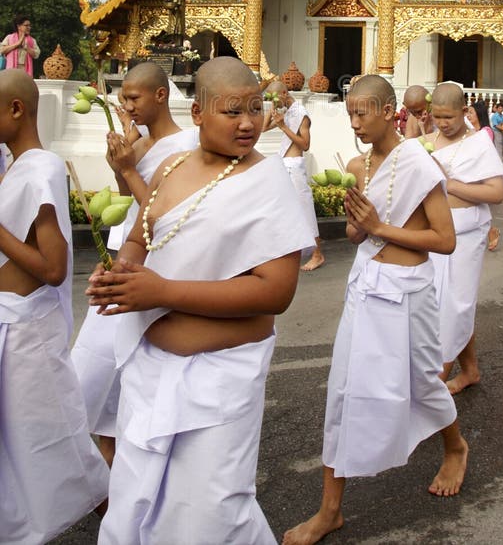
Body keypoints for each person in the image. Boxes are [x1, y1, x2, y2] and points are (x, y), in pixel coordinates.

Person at [87, 57, 314, 544]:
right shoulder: (171, 167)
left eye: (255, 109)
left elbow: (276, 291)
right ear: (198, 113)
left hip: (219, 379)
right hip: (150, 371)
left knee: (210, 516)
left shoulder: (268, 180)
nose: (248, 123)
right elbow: (141, 237)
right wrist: (119, 273)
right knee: (136, 505)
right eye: (233, 111)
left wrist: (162, 291)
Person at [283, 75, 468, 545]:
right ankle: (330, 510)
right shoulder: (357, 166)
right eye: (349, 113)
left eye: (362, 113)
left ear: (389, 112)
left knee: (423, 381)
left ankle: (456, 447)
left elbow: (444, 240)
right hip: (367, 287)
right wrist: (361, 224)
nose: (355, 122)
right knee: (343, 391)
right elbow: (354, 236)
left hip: (409, 292)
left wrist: (380, 226)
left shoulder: (419, 163)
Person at [71, 61, 198, 466]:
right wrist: (120, 167)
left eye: (133, 97)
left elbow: (162, 215)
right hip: (125, 254)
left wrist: (127, 167)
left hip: (156, 262)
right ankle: (107, 466)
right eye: (123, 98)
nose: (126, 106)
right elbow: (128, 198)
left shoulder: (186, 146)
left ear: (160, 95)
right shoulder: (139, 145)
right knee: (95, 368)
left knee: (127, 367)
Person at [0, 69, 109, 542]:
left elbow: (53, 267)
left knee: (62, 441)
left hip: (28, 333)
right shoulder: (14, 167)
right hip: (11, 323)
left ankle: (125, 527)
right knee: (20, 443)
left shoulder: (41, 168)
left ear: (16, 110)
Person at [427, 83, 503, 393]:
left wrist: (451, 185)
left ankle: (433, 387)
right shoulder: (426, 141)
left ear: (464, 111)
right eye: (437, 117)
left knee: (456, 306)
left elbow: (496, 193)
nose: (443, 123)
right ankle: (470, 370)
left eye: (448, 117)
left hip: (468, 234)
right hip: (433, 233)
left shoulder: (479, 143)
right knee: (439, 305)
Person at [262, 79, 322, 270]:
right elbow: (263, 128)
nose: (275, 104)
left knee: (305, 209)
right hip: (283, 164)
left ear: (285, 94)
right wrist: (272, 108)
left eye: (276, 99)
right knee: (282, 209)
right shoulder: (286, 112)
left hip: (295, 166)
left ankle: (317, 254)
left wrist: (283, 127)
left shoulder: (301, 114)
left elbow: (305, 145)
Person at [466, 101, 501, 251]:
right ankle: (489, 230)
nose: (468, 115)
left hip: (481, 172)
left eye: (471, 113)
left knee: (479, 205)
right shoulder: (470, 130)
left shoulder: (486, 130)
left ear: (479, 114)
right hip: (470, 171)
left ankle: (490, 230)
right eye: (467, 112)